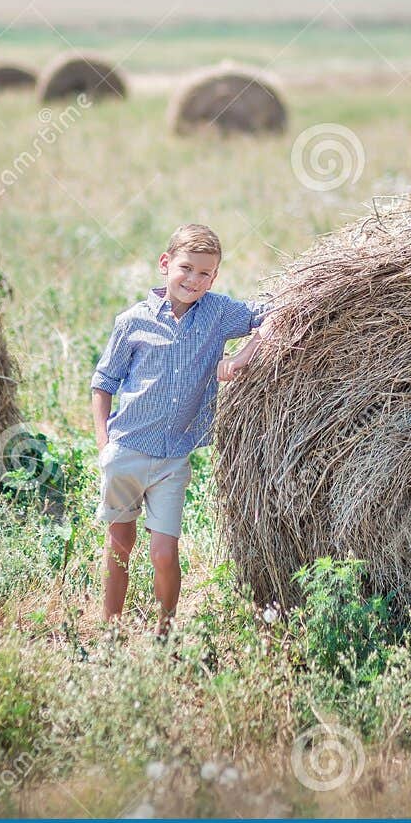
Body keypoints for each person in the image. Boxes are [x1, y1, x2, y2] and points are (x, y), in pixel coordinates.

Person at [90, 223, 271, 634]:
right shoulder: (132, 322)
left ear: (215, 277)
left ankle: (164, 632)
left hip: (174, 458)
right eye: (186, 269)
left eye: (204, 273)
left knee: (164, 552)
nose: (193, 280)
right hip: (127, 451)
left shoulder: (219, 313)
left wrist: (243, 355)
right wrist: (104, 446)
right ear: (165, 264)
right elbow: (103, 383)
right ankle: (111, 630)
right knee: (119, 546)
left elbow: (278, 311)